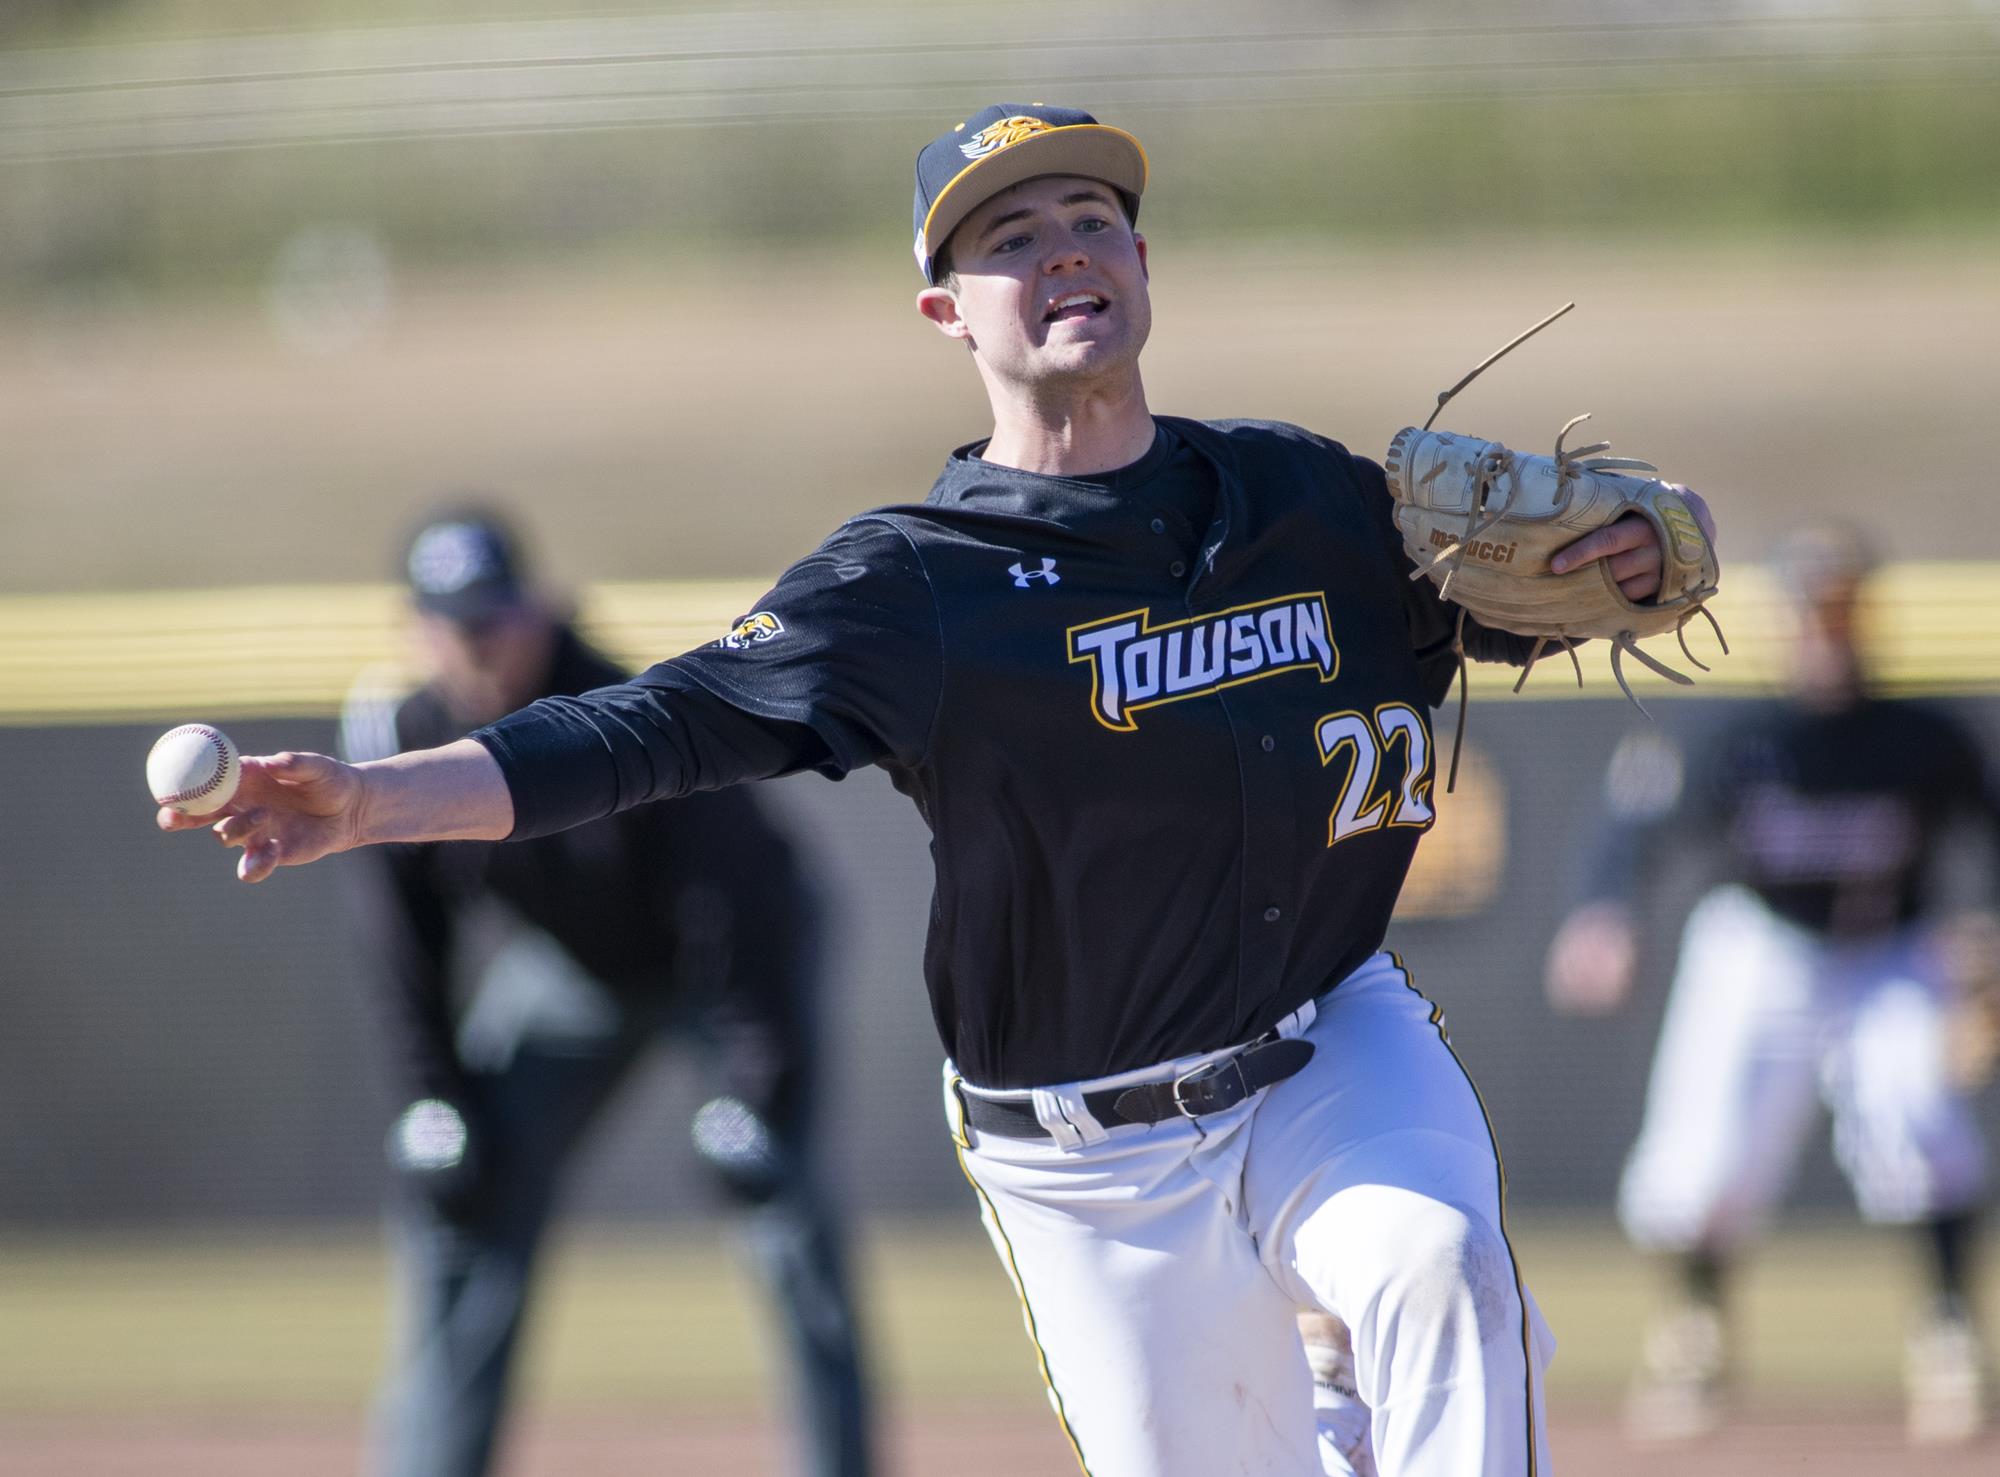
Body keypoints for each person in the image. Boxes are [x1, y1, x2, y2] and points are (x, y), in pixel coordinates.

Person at [162, 103, 1715, 1476]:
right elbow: (654, 728)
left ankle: (1340, 1342)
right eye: (1010, 238)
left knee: (1441, 1273)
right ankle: (1314, 1395)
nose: (1062, 252)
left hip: (1331, 1038)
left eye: (1090, 218)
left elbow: (1522, 594)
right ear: (945, 311)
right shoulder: (916, 584)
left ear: (1144, 263)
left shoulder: (1302, 496)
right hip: (1087, 1158)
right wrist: (372, 798)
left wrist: (1635, 553)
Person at [338, 509, 873, 1477]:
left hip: (727, 976)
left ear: (538, 610)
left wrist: (757, 1089)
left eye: (496, 617)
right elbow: (403, 943)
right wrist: (432, 1094)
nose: (481, 642)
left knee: (784, 1211)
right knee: (465, 1200)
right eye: (458, 624)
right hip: (570, 977)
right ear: (415, 628)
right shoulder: (402, 734)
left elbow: (741, 903)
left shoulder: (619, 703)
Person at [1544, 522, 1996, 1445]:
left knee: (1923, 1120)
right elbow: (1635, 823)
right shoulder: (1741, 731)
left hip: (1888, 947)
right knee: (1700, 1158)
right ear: (1786, 620)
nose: (1824, 626)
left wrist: (1984, 929)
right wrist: (1603, 911)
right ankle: (1695, 1337)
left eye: (1839, 606)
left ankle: (1947, 1331)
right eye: (1810, 608)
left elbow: (1985, 836)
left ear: (1863, 614)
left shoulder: (1921, 737)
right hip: (1765, 946)